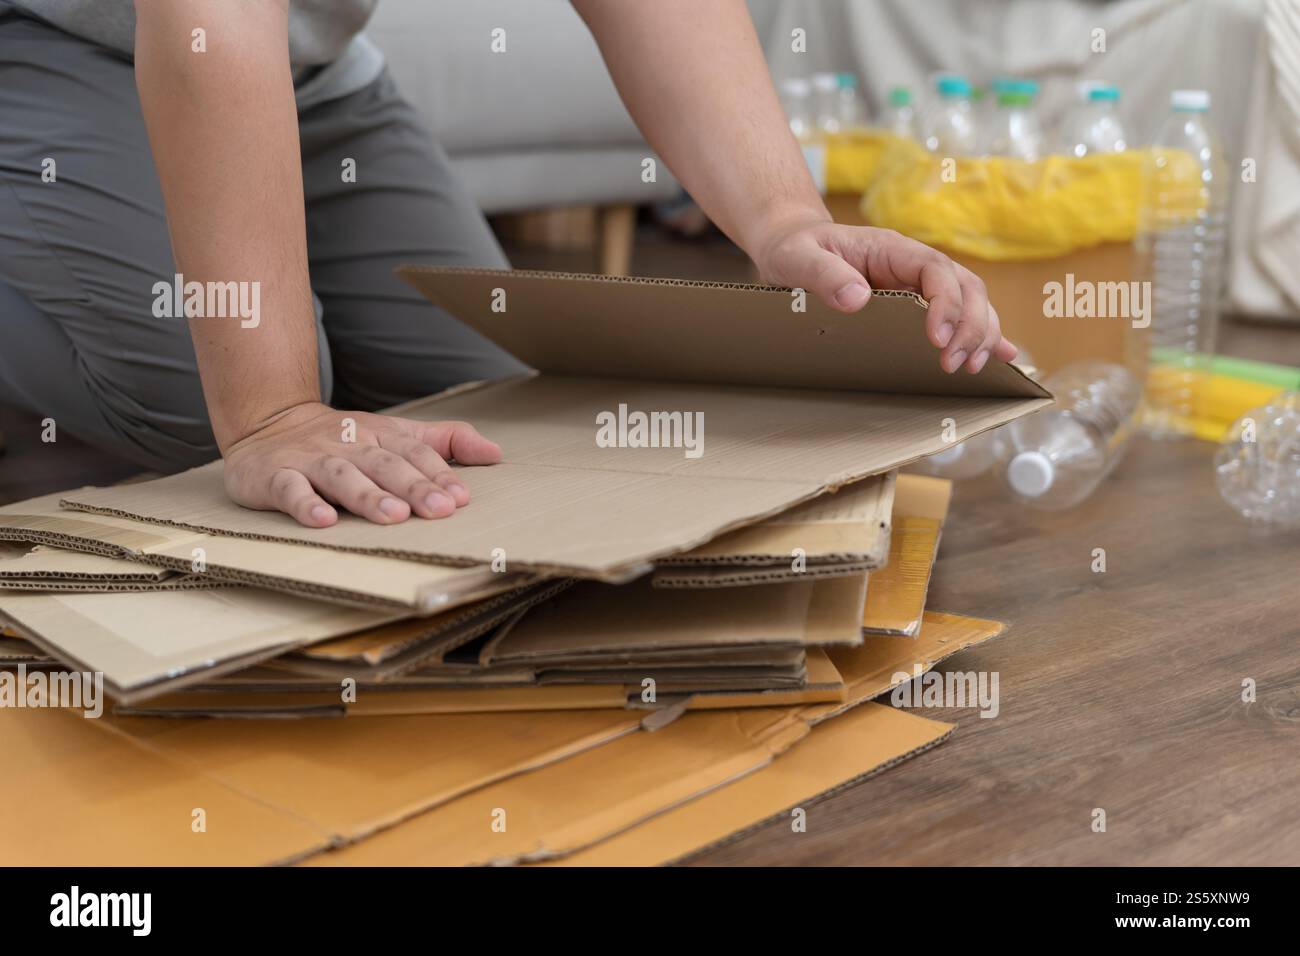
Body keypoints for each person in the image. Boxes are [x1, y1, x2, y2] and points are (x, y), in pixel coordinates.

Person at [0, 0, 1015, 529]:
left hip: (310, 70)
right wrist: (272, 413)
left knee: (479, 396)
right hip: (53, 39)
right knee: (201, 407)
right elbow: (209, 22)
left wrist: (785, 220)